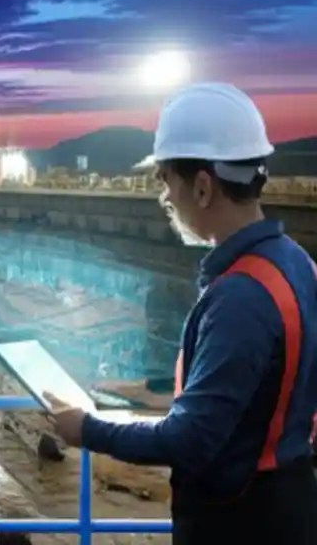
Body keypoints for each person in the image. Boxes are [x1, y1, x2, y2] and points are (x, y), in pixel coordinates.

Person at [45, 81, 317, 544]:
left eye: (167, 180)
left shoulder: (241, 297)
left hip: (240, 523)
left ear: (204, 187)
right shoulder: (295, 261)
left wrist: (87, 429)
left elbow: (190, 441)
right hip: (290, 502)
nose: (165, 197)